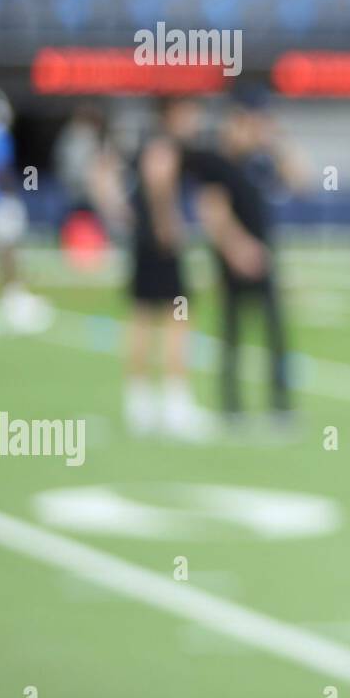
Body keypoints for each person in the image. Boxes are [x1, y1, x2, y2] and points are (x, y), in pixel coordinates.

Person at [190, 88, 303, 432]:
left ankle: (280, 405)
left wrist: (276, 141)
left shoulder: (261, 159)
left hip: (263, 258)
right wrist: (238, 249)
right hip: (232, 259)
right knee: (232, 333)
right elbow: (212, 211)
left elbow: (301, 179)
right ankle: (231, 406)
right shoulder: (218, 162)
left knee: (275, 333)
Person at [120, 96, 211, 440]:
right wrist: (168, 226)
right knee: (177, 319)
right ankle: (175, 404)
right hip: (161, 247)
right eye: (190, 113)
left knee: (143, 317)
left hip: (144, 244)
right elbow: (160, 185)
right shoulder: (163, 146)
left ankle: (140, 401)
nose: (195, 121)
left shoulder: (146, 143)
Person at [0, 86, 54, 337]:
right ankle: (12, 296)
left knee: (1, 248)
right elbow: (0, 172)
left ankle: (5, 298)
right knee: (8, 248)